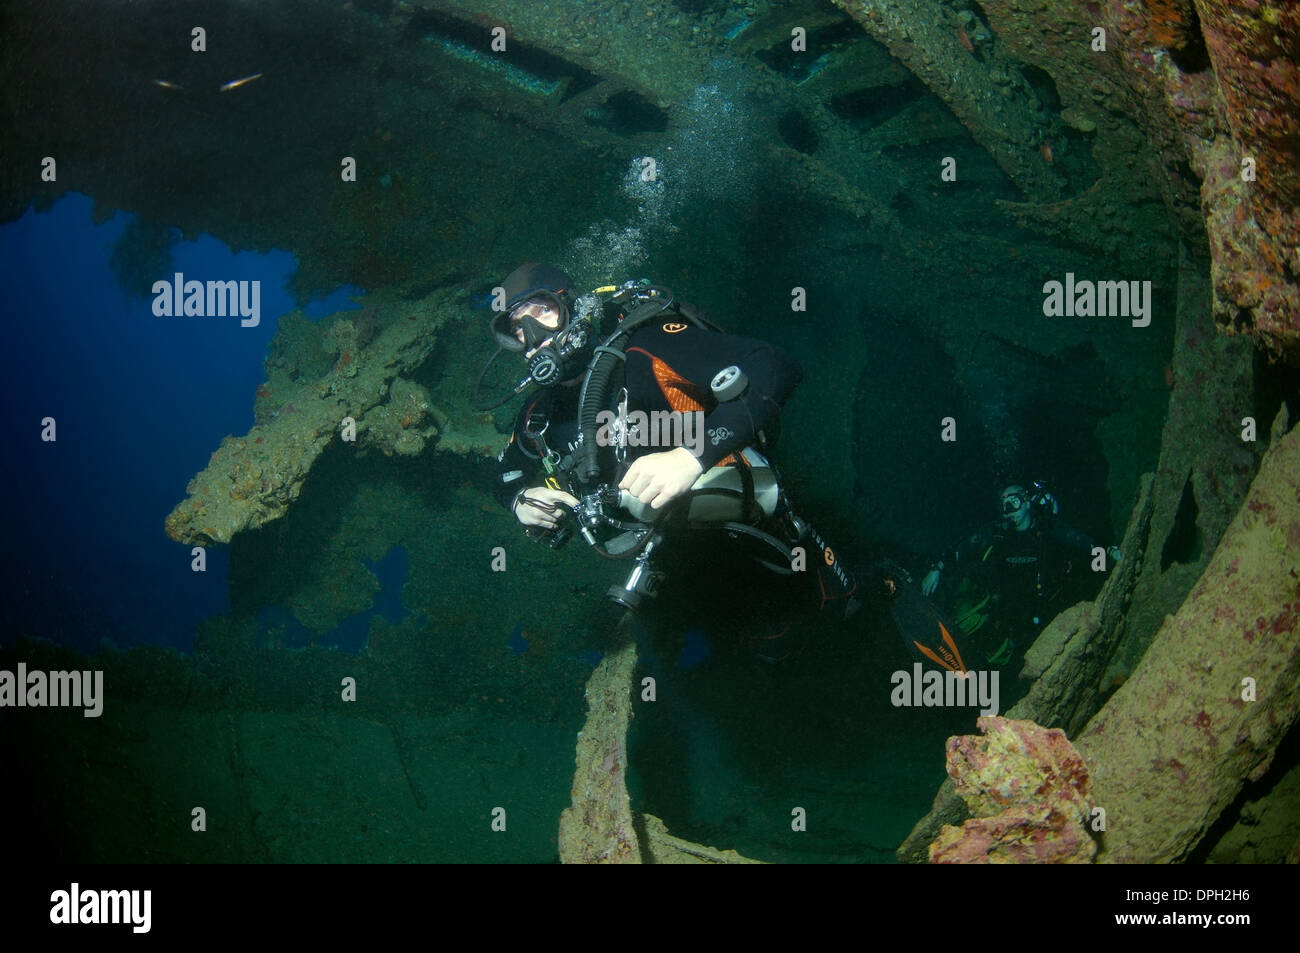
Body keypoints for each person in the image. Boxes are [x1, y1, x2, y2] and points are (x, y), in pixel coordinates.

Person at [475, 263, 858, 660]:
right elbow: (505, 471)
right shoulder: (540, 413)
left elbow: (775, 365)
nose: (533, 336)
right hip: (676, 569)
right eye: (518, 328)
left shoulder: (647, 350)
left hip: (761, 542)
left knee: (840, 627)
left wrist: (691, 457)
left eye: (542, 311)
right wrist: (520, 498)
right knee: (754, 653)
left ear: (572, 306)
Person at [920, 482, 1120, 666]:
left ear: (1026, 502)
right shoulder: (999, 531)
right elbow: (963, 547)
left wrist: (1108, 551)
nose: (1008, 511)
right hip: (1012, 606)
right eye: (1004, 505)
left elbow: (1081, 541)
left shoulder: (1046, 525)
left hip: (1049, 601)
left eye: (1013, 503)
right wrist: (936, 569)